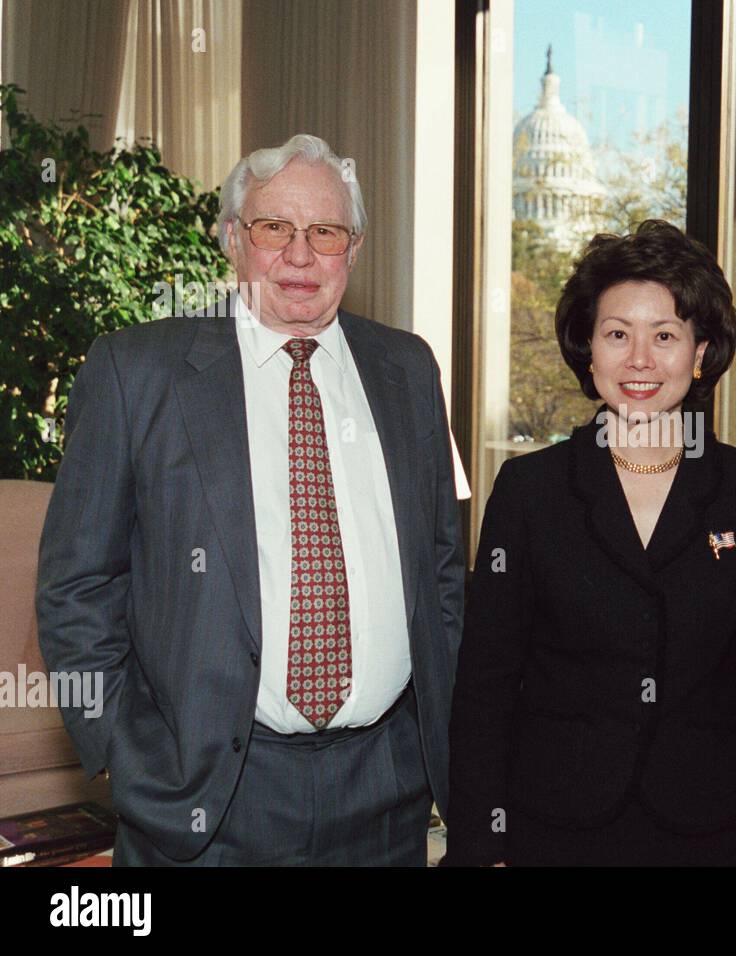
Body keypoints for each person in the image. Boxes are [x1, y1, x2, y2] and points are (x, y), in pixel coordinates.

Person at [37, 134, 464, 865]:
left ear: (352, 250)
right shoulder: (136, 372)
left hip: (388, 792)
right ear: (234, 240)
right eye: (275, 228)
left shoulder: (408, 368)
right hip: (209, 795)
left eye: (324, 232)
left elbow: (444, 570)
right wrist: (120, 751)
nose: (300, 256)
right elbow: (76, 585)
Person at [445, 219, 736, 866]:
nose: (640, 360)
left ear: (700, 352)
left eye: (665, 336)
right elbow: (485, 687)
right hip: (551, 830)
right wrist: (480, 845)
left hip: (708, 834)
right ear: (588, 348)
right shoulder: (531, 490)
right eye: (617, 335)